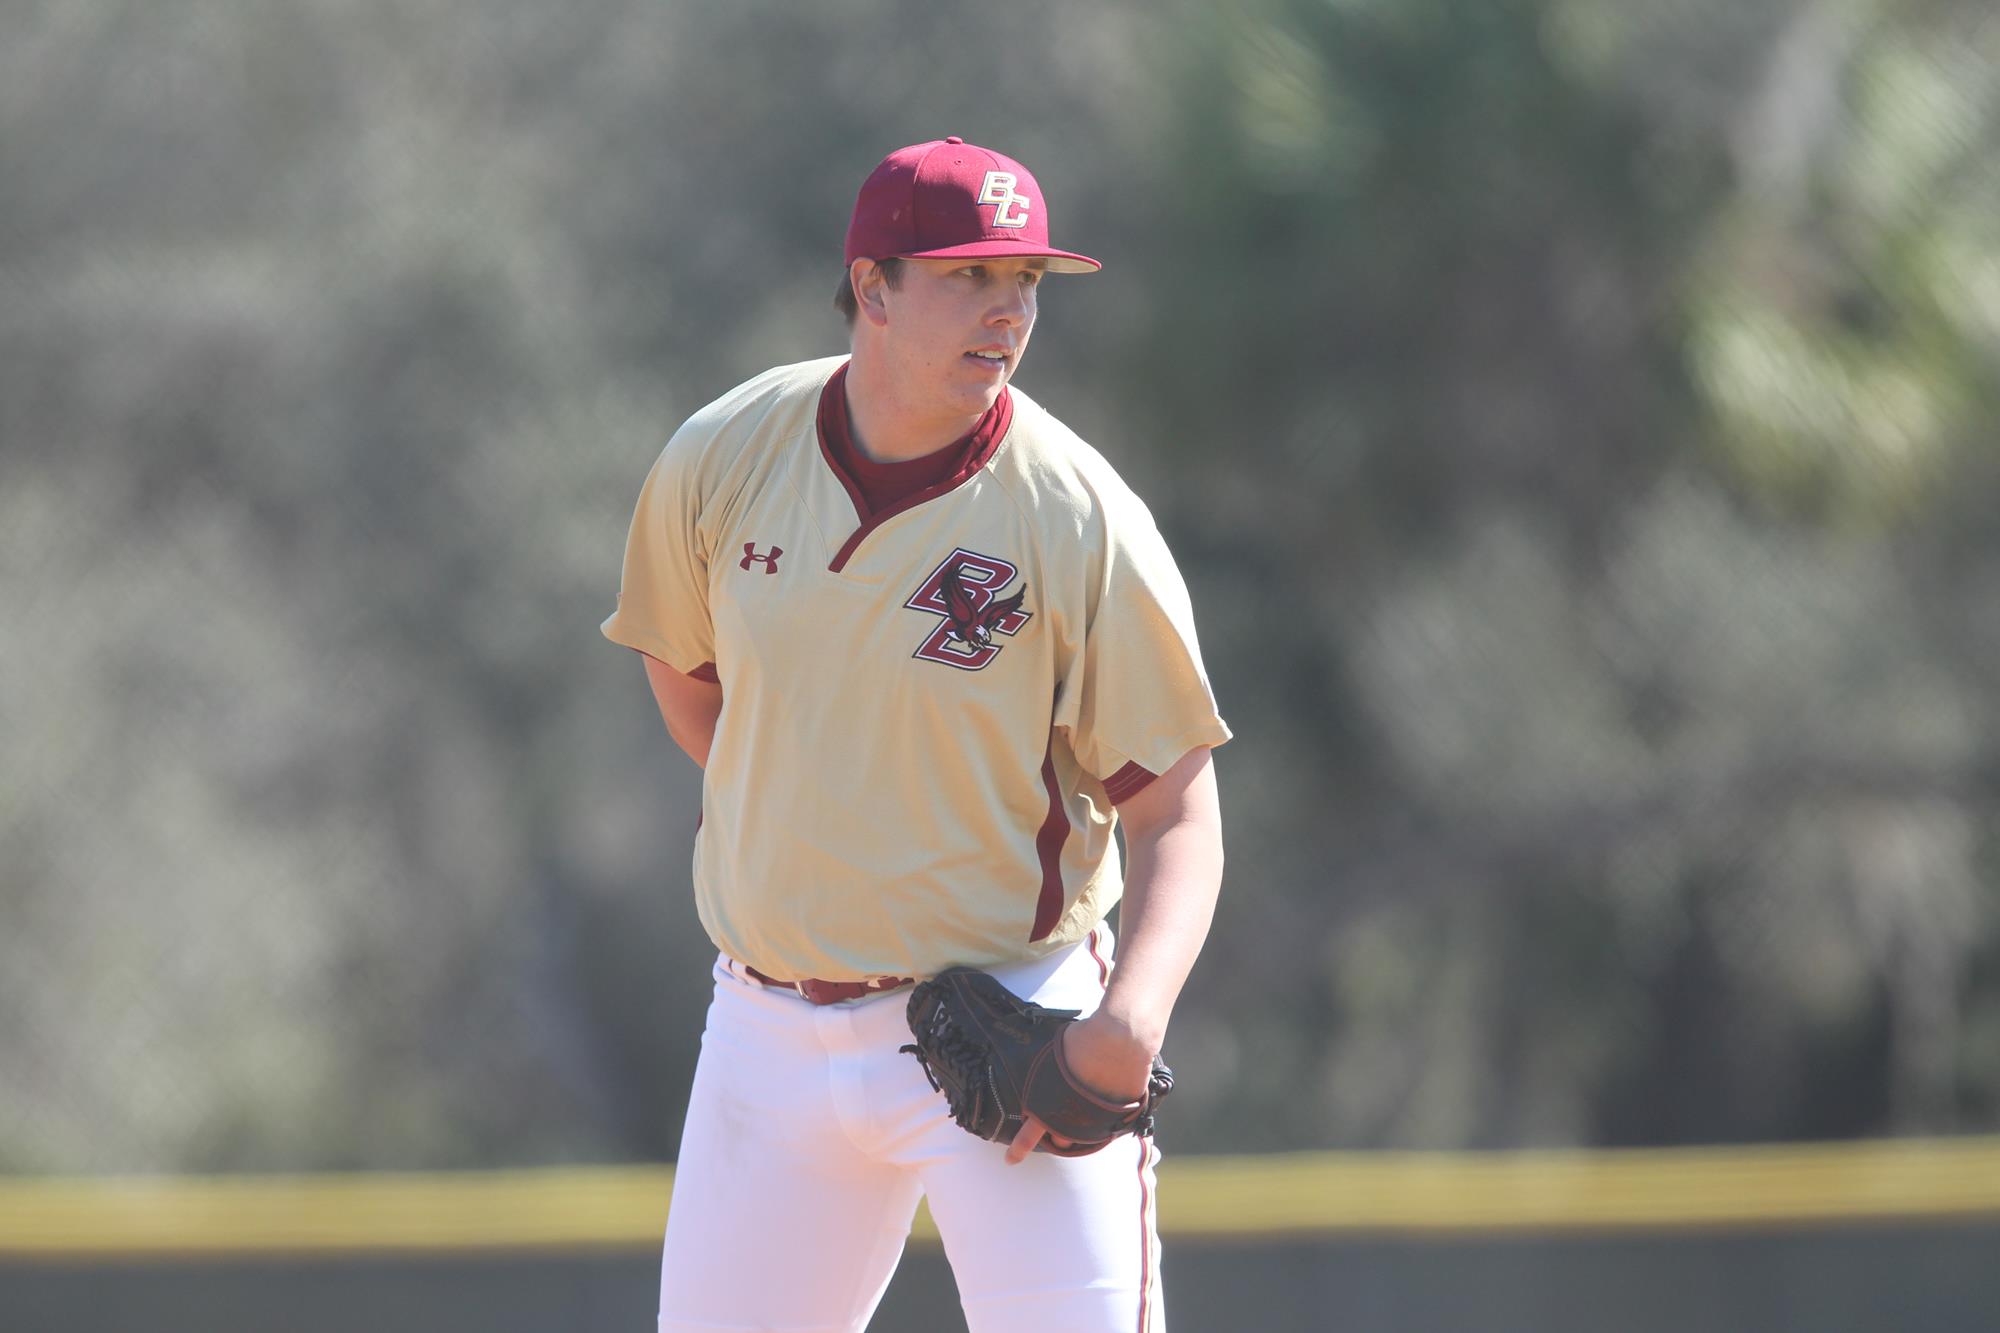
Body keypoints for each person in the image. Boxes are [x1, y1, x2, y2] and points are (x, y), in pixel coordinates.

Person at [603, 135, 1230, 1333]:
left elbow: (1176, 809)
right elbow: (692, 690)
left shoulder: (1077, 514)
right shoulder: (726, 455)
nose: (1006, 315)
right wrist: (827, 825)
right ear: (872, 285)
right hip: (764, 1033)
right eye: (967, 278)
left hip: (1011, 1025)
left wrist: (1126, 1024)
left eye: (1025, 285)